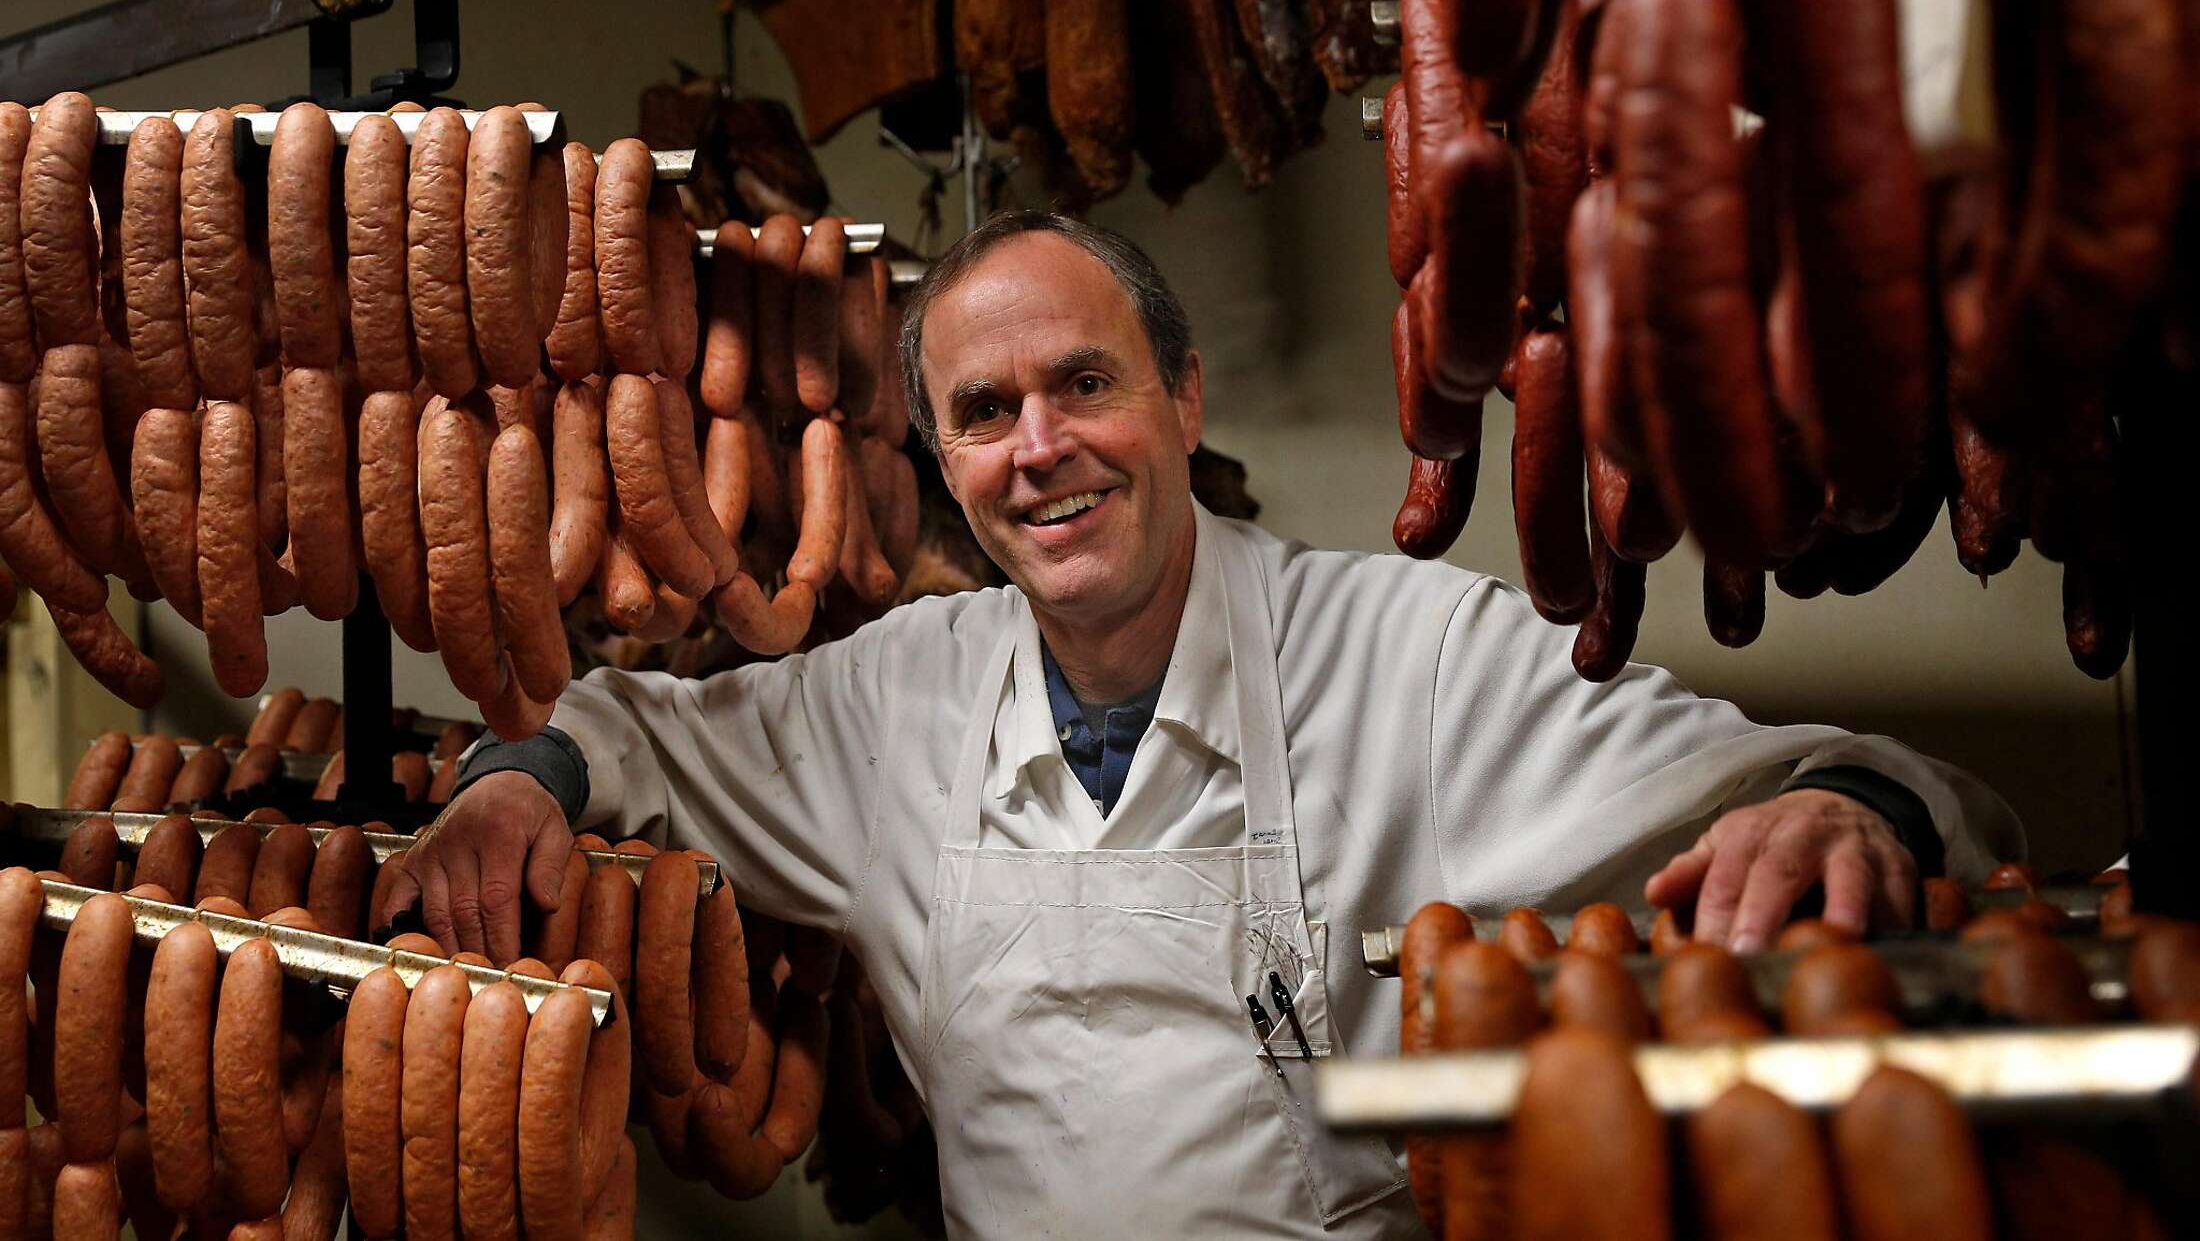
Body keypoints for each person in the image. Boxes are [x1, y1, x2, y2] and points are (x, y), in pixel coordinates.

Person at [384, 210, 2017, 1237]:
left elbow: (1819, 780)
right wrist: (519, 782)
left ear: (1184, 399)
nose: (1040, 448)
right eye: (982, 415)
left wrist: (1847, 808)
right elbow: (637, 730)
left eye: (1085, 385)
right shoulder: (895, 694)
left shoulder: (1411, 655)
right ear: (941, 466)